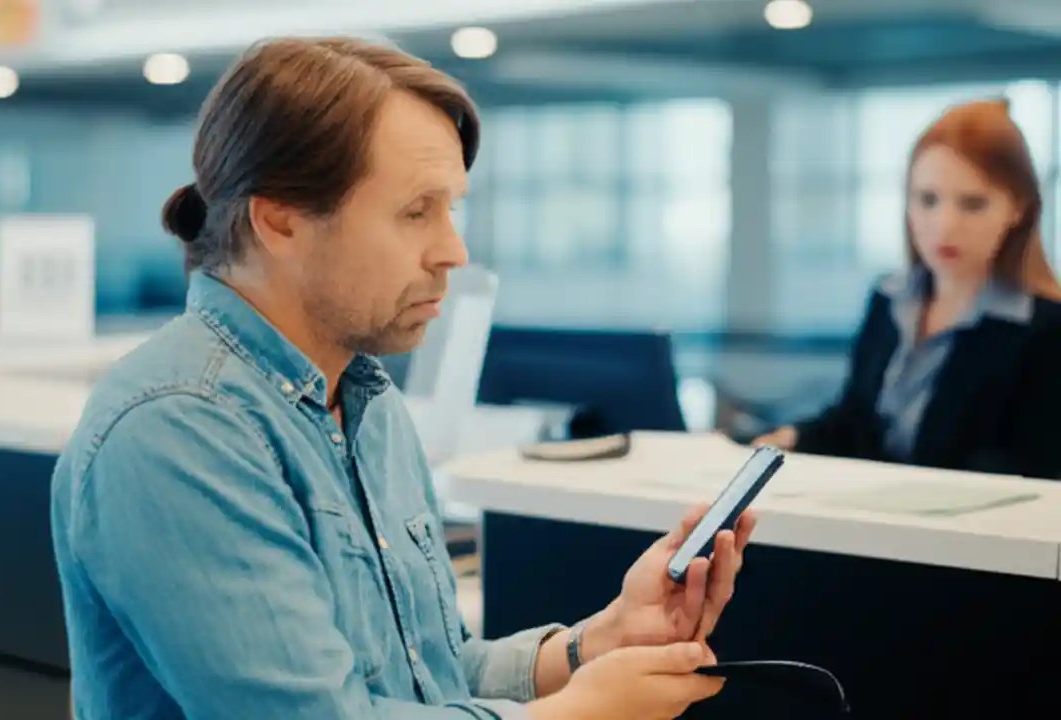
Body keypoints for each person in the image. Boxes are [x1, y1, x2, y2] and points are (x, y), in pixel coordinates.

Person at [51, 37, 756, 720]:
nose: (452, 250)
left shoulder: (365, 400)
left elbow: (431, 671)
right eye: (416, 211)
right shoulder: (179, 427)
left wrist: (594, 645)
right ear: (280, 220)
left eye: (451, 209)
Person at [755, 99, 1061, 479]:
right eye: (927, 199)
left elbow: (1030, 467)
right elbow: (856, 422)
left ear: (1018, 208)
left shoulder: (1045, 330)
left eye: (973, 204)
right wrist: (787, 440)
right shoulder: (889, 299)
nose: (945, 225)